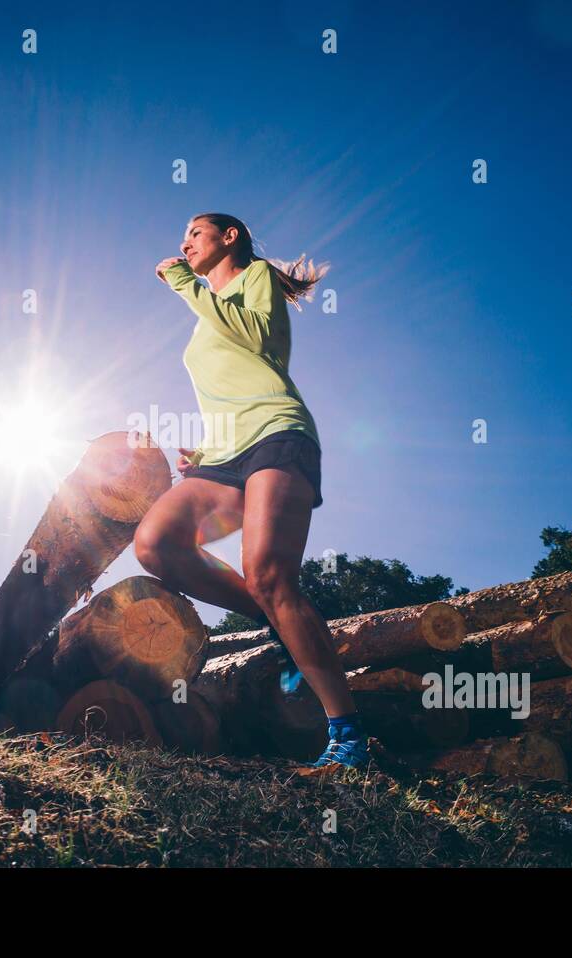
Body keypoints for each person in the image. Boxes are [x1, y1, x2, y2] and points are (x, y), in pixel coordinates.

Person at [138, 212, 367, 768]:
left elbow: (255, 337)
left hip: (279, 438)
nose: (185, 242)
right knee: (157, 544)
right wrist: (208, 450)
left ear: (229, 237)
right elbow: (226, 392)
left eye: (196, 233)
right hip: (226, 456)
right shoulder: (204, 313)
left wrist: (186, 284)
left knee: (269, 573)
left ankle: (350, 734)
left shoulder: (254, 277)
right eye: (184, 236)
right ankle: (279, 623)